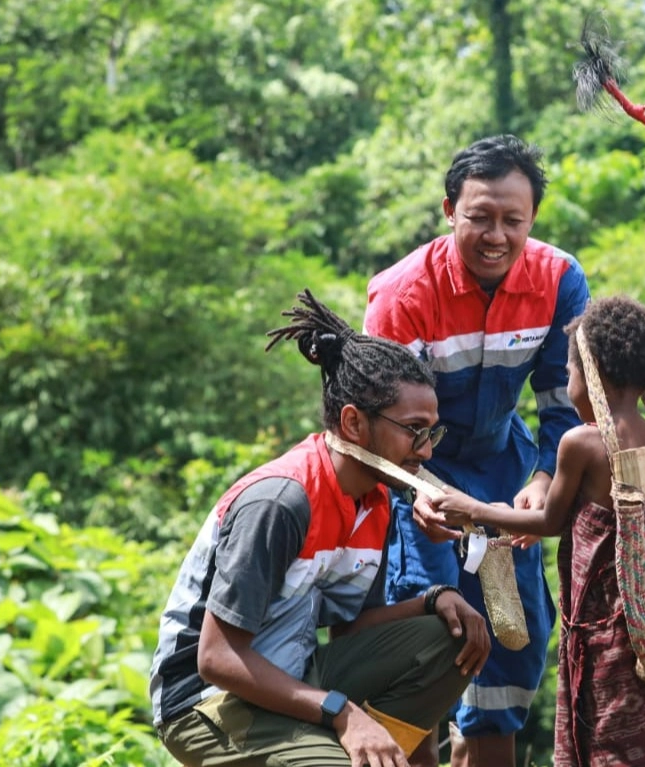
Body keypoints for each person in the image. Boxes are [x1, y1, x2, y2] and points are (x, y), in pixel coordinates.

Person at [149, 289, 491, 767]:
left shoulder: (376, 501)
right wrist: (340, 712)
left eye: (431, 432)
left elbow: (350, 631)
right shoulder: (281, 502)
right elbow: (217, 659)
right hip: (206, 703)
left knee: (450, 635)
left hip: (293, 673)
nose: (426, 451)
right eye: (414, 430)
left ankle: (356, 752)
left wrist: (434, 600)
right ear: (353, 422)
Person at [364, 135, 591, 766]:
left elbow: (564, 400)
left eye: (512, 221)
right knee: (429, 637)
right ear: (448, 211)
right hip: (415, 472)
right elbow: (378, 429)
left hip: (503, 471)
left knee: (510, 640)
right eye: (480, 217)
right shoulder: (401, 295)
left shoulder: (560, 279)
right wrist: (417, 494)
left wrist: (546, 476)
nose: (497, 235)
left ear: (532, 219)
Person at [430, 295, 645, 767]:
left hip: (605, 635)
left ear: (593, 375)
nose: (568, 386)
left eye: (570, 373)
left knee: (606, 739)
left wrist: (473, 507)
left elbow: (550, 522)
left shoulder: (582, 443)